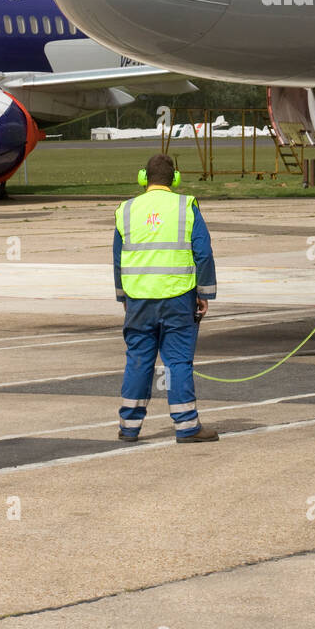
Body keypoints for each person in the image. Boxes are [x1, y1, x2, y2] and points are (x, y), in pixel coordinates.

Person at [113, 153, 218, 443]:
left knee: (138, 360)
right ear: (175, 179)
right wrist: (205, 292)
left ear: (143, 178)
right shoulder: (186, 206)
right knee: (178, 362)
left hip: (138, 299)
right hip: (178, 296)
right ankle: (186, 426)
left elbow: (118, 260)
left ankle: (129, 426)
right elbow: (204, 253)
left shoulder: (126, 210)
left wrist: (124, 298)